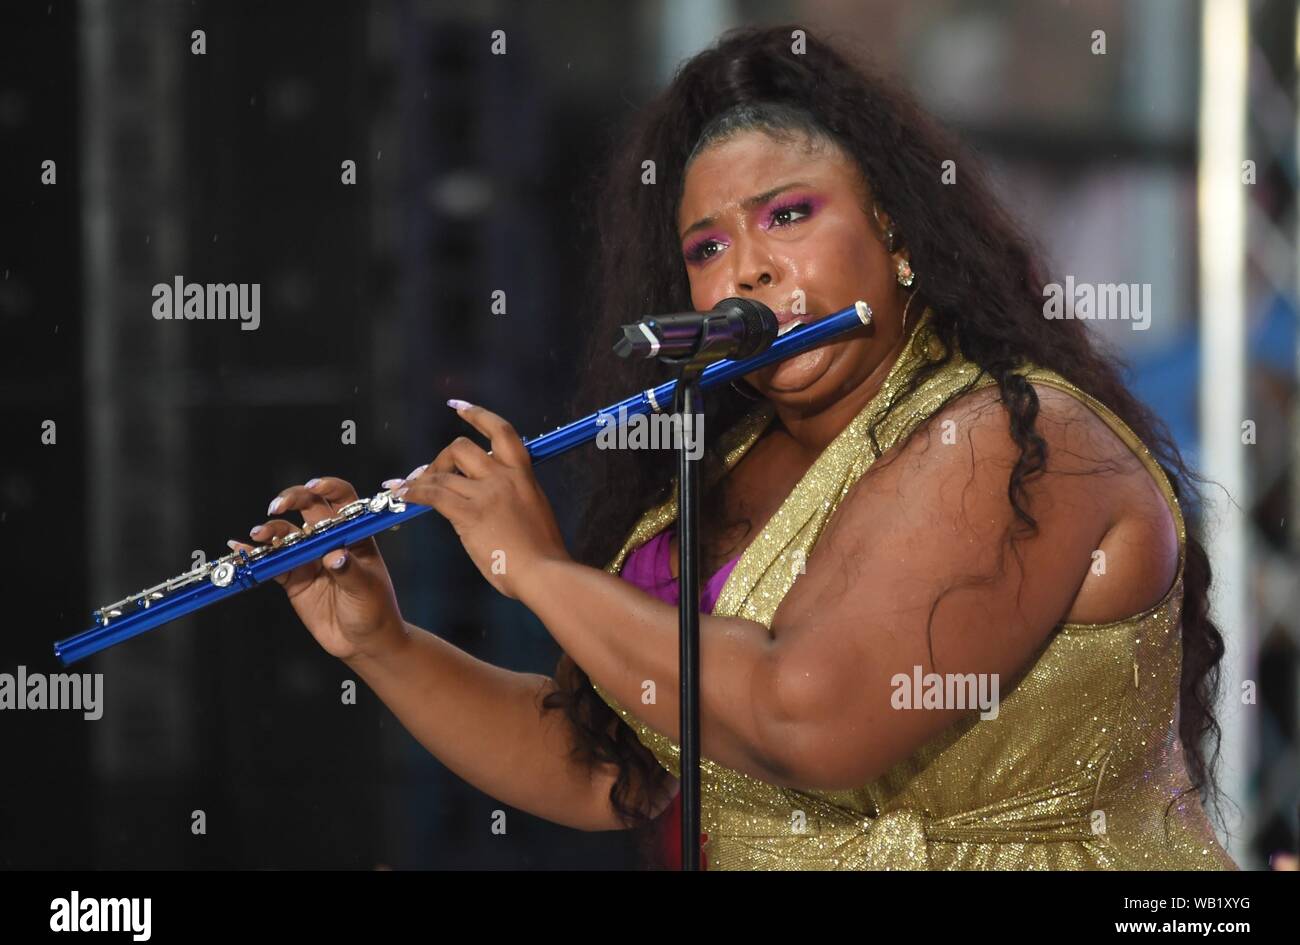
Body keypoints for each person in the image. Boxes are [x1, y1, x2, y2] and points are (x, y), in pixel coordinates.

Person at [230, 24, 1244, 869]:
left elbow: (808, 718)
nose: (747, 270)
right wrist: (385, 642)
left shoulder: (1017, 440)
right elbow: (613, 768)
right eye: (707, 248)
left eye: (788, 217)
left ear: (893, 233)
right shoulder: (711, 473)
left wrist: (533, 568)